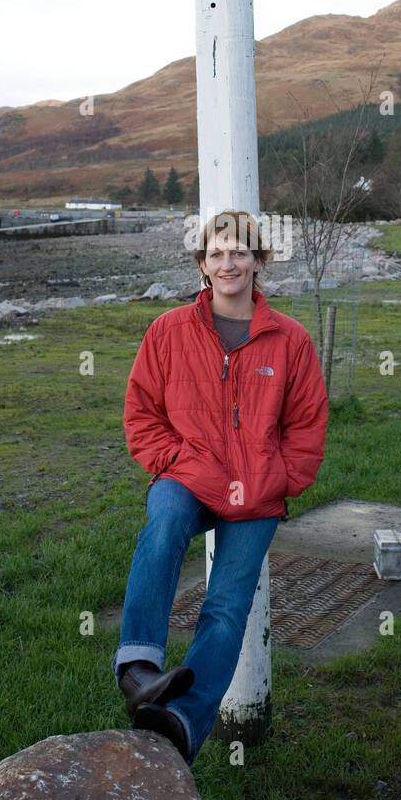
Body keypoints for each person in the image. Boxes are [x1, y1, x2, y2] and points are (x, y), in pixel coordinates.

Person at [113, 208, 329, 764]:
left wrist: (283, 480)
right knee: (162, 525)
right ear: (202, 265)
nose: (227, 262)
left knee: (228, 604)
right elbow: (141, 412)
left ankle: (181, 721)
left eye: (239, 252)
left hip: (256, 490)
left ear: (259, 261)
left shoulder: (291, 341)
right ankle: (138, 667)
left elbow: (306, 425)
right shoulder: (168, 330)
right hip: (188, 474)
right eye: (216, 253)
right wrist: (172, 460)